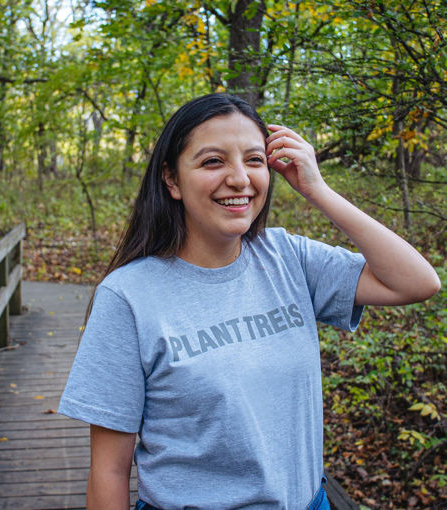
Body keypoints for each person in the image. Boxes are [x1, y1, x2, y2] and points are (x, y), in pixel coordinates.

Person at [58, 93, 440, 510]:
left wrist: (318, 190)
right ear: (171, 180)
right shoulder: (128, 296)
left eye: (254, 160)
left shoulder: (287, 257)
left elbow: (416, 282)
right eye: (213, 161)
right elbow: (110, 470)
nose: (240, 178)